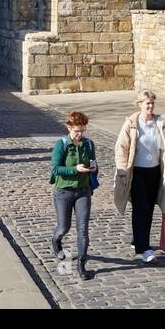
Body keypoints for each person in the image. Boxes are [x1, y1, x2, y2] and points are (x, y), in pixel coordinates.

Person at [114, 90, 165, 263]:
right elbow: (121, 148)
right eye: (147, 103)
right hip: (137, 172)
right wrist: (122, 168)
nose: (150, 106)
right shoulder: (132, 124)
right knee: (141, 208)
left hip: (154, 171)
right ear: (139, 104)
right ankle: (144, 248)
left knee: (149, 208)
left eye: (152, 103)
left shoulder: (160, 123)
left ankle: (137, 239)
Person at [50, 110, 97, 281]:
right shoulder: (61, 144)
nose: (79, 134)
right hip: (63, 192)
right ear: (69, 127)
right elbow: (56, 169)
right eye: (77, 130)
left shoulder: (89, 144)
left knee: (83, 229)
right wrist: (74, 169)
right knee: (64, 227)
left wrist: (93, 167)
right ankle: (56, 240)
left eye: (82, 130)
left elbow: (93, 162)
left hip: (83, 191)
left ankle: (81, 265)